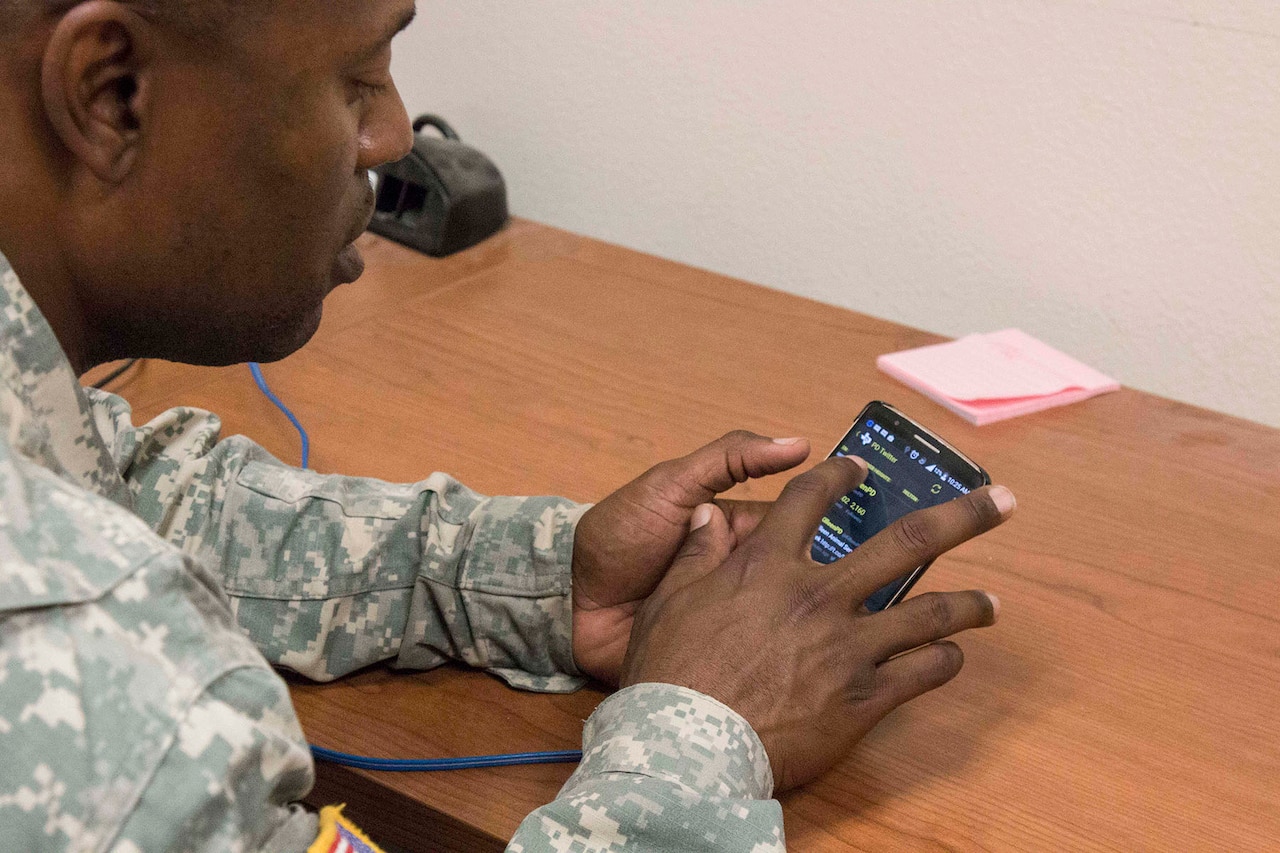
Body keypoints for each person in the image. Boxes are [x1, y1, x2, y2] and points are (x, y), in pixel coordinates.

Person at [0, 1, 1015, 850]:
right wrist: (704, 731)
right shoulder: (82, 664)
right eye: (356, 80)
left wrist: (532, 574)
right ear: (111, 93)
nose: (393, 135)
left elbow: (117, 484)